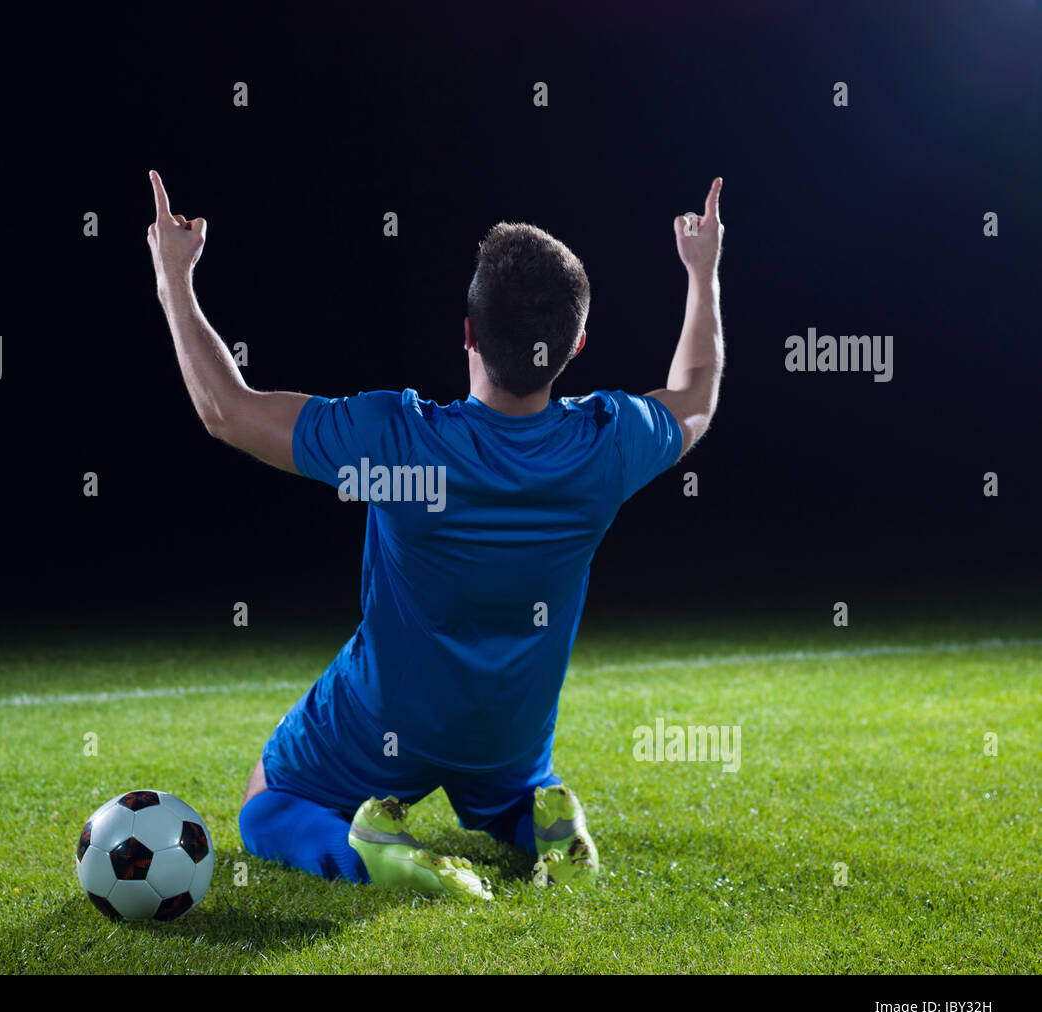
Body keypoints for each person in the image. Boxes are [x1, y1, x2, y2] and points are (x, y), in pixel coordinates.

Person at [146, 171, 725, 899]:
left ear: (469, 332)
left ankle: (368, 855)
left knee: (267, 800)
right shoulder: (606, 446)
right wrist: (701, 273)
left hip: (386, 717)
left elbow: (226, 409)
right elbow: (697, 396)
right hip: (508, 732)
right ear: (576, 345)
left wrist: (174, 277)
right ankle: (540, 816)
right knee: (515, 783)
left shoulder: (396, 441)